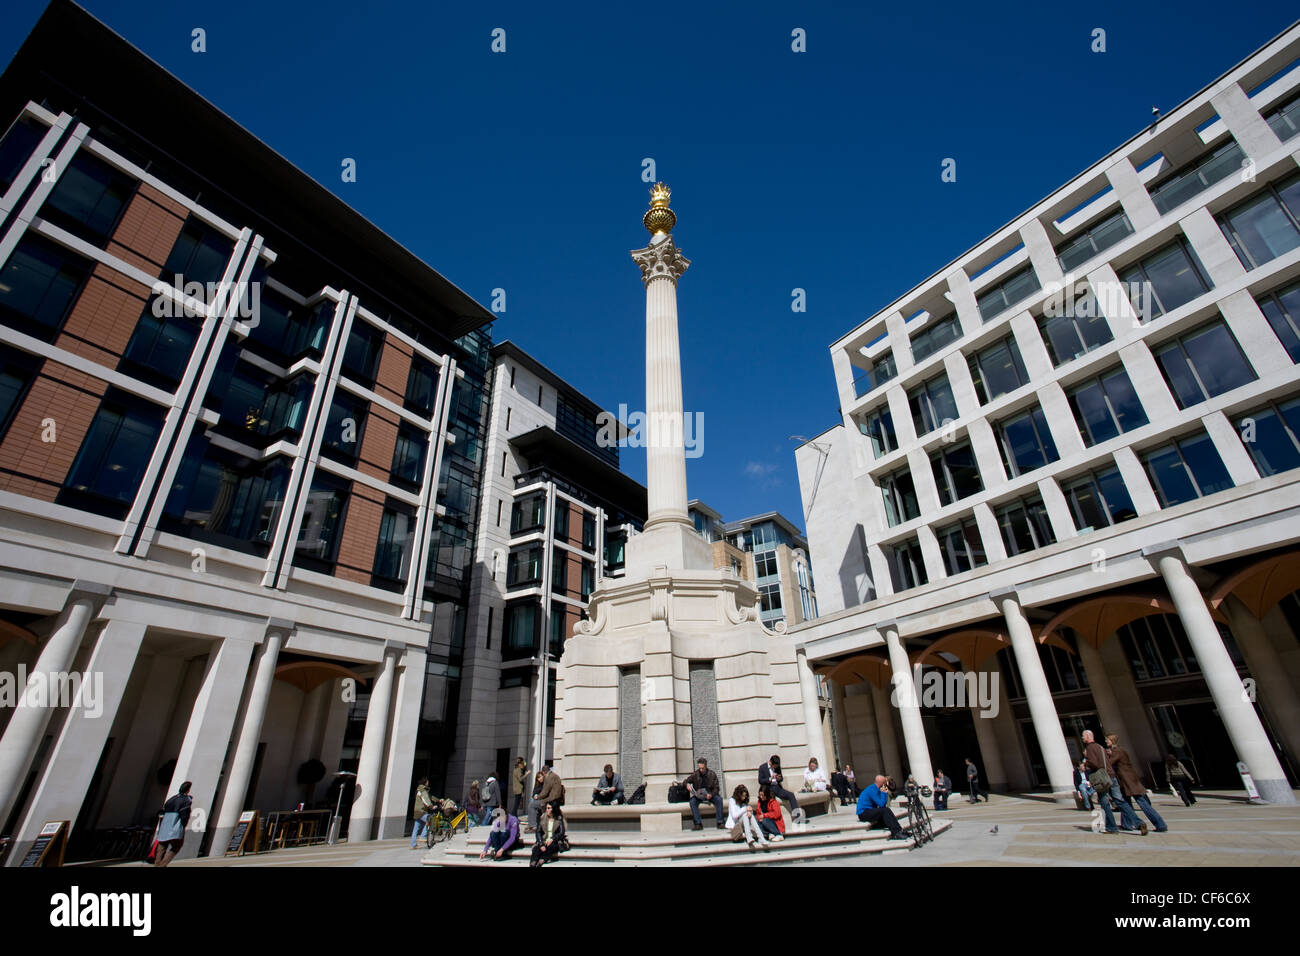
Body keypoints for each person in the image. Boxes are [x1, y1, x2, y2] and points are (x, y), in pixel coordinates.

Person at [1083, 729, 1141, 834]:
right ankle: (1139, 822)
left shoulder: (1090, 748)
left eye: (1083, 736)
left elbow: (1094, 763)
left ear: (1088, 736)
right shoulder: (1101, 747)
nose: (1082, 738)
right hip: (1111, 776)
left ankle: (1112, 827)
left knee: (1104, 803)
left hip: (1102, 778)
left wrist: (1086, 763)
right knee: (1120, 800)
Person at [1108, 734, 1168, 833]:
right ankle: (1126, 824)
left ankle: (1160, 824)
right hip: (1127, 780)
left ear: (1112, 740)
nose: (1106, 741)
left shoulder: (1116, 751)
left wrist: (1108, 756)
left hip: (1128, 781)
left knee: (1141, 802)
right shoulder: (1120, 750)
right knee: (1126, 802)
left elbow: (1109, 763)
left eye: (1107, 740)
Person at [153, 781, 193, 867]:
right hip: (175, 825)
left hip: (165, 826)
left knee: (162, 847)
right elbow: (184, 815)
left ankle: (157, 864)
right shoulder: (186, 800)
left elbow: (163, 811)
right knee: (177, 846)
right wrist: (183, 825)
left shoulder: (171, 799)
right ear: (188, 790)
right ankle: (163, 864)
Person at [855, 774, 906, 840]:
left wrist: (884, 792)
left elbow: (883, 804)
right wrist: (884, 792)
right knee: (885, 810)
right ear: (882, 783)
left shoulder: (877, 789)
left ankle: (900, 831)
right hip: (863, 813)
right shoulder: (872, 790)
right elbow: (881, 805)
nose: (886, 784)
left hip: (870, 811)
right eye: (885, 782)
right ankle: (896, 833)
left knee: (887, 814)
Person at [683, 757, 725, 830]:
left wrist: (711, 794)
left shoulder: (712, 774)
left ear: (706, 766)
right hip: (699, 795)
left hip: (710, 794)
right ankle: (698, 824)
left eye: (702, 768)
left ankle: (720, 822)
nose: (701, 770)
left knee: (719, 800)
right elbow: (685, 781)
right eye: (700, 768)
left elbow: (717, 788)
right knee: (692, 802)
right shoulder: (696, 774)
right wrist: (687, 784)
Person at [727, 785, 769, 850]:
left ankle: (760, 838)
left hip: (744, 824)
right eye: (743, 796)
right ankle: (754, 837)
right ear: (738, 795)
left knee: (750, 815)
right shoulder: (732, 801)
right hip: (736, 825)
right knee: (745, 815)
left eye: (745, 795)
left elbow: (746, 810)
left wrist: (749, 811)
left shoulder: (744, 801)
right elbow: (734, 815)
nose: (744, 797)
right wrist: (745, 809)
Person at [529, 802, 566, 866]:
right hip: (544, 839)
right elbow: (538, 832)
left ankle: (541, 861)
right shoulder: (543, 817)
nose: (547, 810)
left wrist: (553, 839)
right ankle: (533, 863)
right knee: (536, 849)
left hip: (554, 841)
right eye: (546, 808)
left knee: (551, 847)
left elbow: (561, 832)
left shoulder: (559, 818)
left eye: (549, 808)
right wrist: (541, 843)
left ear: (553, 809)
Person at [529, 766, 563, 832]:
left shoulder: (549, 777)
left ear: (544, 772)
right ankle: (537, 824)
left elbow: (545, 791)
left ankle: (533, 826)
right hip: (555, 799)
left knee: (532, 805)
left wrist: (537, 797)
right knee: (535, 803)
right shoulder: (555, 776)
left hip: (551, 799)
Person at [410, 777, 435, 849]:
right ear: (425, 782)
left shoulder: (419, 790)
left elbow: (430, 797)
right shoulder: (423, 790)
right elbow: (426, 800)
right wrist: (431, 807)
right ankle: (423, 836)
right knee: (430, 820)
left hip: (417, 811)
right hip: (421, 811)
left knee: (415, 829)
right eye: (428, 782)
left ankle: (413, 845)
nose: (428, 783)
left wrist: (438, 800)